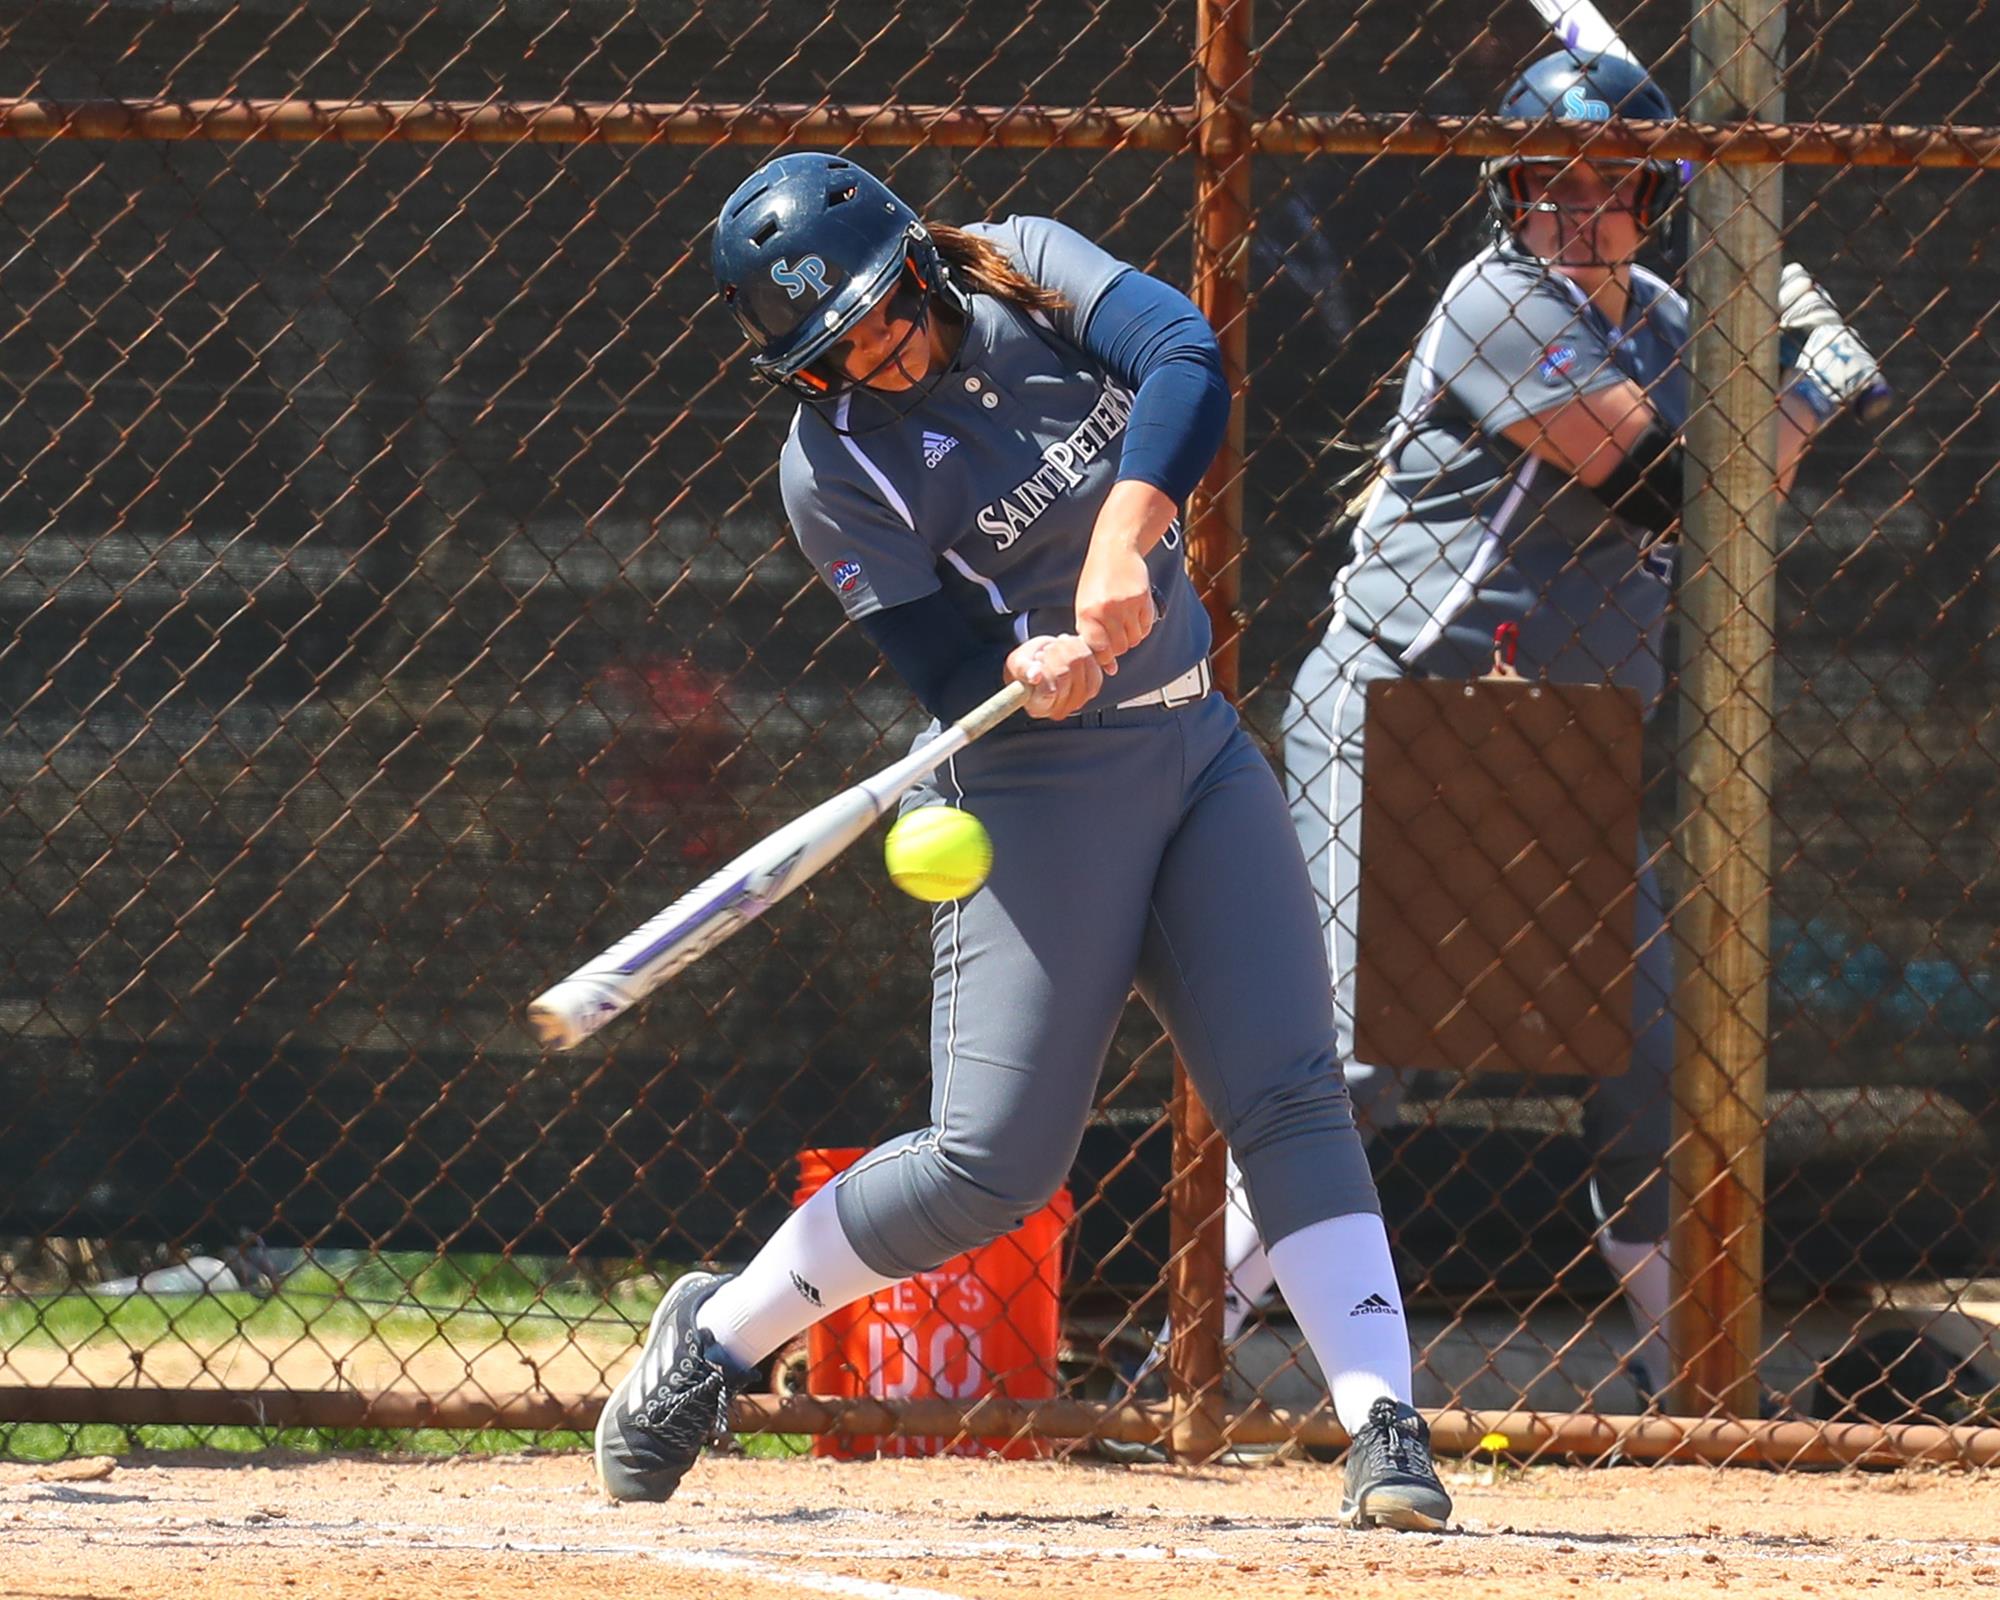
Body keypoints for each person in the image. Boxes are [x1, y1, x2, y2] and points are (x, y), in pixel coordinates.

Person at [590, 150, 1453, 1530]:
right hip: (1045, 787)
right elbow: (941, 661)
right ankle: (717, 1338)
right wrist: (1021, 665)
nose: (879, 353)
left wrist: (1125, 536)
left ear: (918, 264)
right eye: (840, 349)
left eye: (886, 315)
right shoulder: (830, 472)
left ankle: (1385, 1428)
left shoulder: (1022, 262)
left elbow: (1183, 355)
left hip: (1200, 744)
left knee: (1289, 1090)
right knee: (993, 1165)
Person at [1149, 51, 1886, 1411]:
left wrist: (1773, 380)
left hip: (1570, 746)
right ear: (1508, 191)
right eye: (1547, 180)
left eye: (1607, 185)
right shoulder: (1499, 301)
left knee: (1660, 1063)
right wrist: (1808, 384)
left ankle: (1700, 1390)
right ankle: (1174, 1364)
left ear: (1655, 199)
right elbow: (1679, 488)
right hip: (1404, 710)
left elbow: (1735, 465)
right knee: (1359, 1057)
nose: (1574, 209)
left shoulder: (1677, 316)